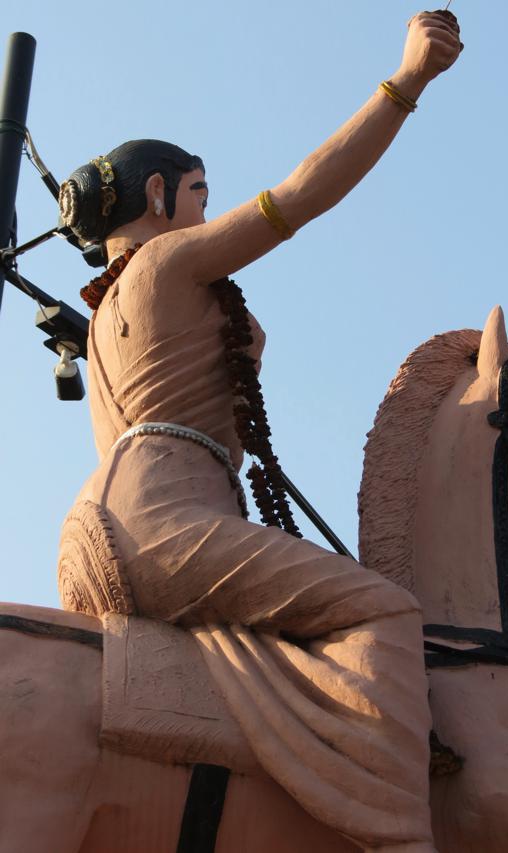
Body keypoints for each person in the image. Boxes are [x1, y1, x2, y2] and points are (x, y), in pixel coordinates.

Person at [57, 11, 462, 852]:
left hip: (90, 538)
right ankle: (398, 832)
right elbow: (305, 192)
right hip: (172, 520)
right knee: (384, 612)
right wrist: (406, 84)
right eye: (200, 193)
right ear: (160, 196)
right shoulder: (170, 262)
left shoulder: (97, 325)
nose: (208, 211)